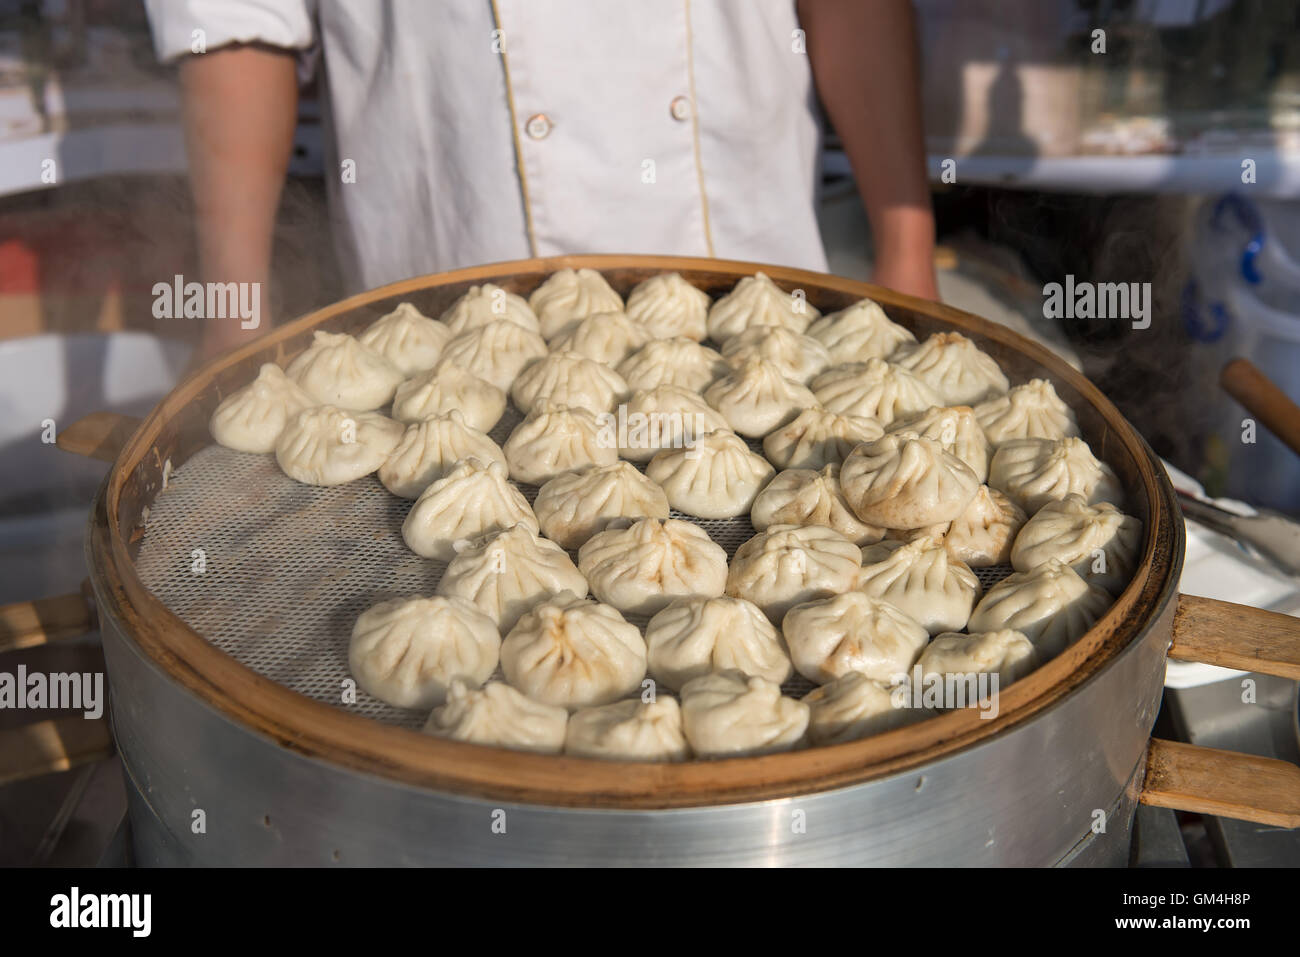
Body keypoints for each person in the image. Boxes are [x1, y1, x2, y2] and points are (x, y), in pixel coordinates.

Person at [145, 0, 937, 359]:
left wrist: (907, 249)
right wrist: (235, 307)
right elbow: (235, 26)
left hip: (750, 305)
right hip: (448, 320)